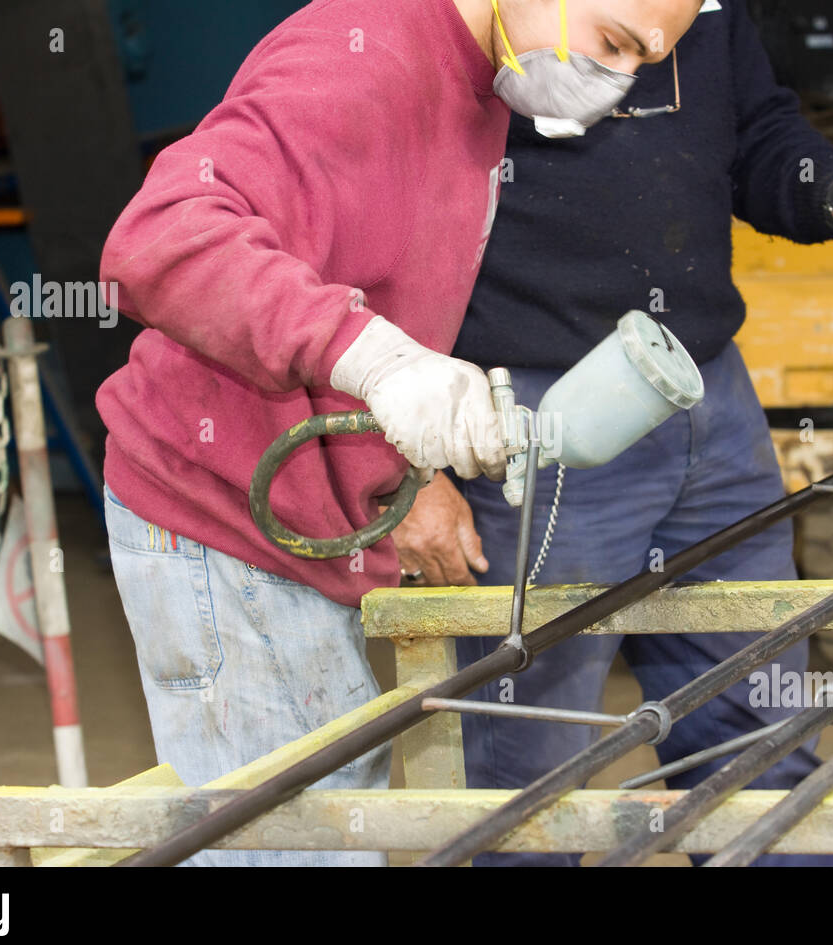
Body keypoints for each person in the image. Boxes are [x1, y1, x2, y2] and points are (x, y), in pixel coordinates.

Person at [96, 0, 704, 866]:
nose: (619, 79)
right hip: (221, 522)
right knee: (296, 850)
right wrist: (373, 356)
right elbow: (162, 234)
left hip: (302, 530)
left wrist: (404, 459)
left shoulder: (482, 77)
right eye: (613, 43)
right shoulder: (364, 57)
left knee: (333, 828)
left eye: (646, 61)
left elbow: (367, 255)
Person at [390, 0, 833, 866]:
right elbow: (351, 241)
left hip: (706, 399)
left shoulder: (703, 14)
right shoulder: (427, 31)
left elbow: (754, 132)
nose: (644, 60)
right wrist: (407, 468)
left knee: (763, 731)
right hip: (534, 415)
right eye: (619, 43)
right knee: (526, 766)